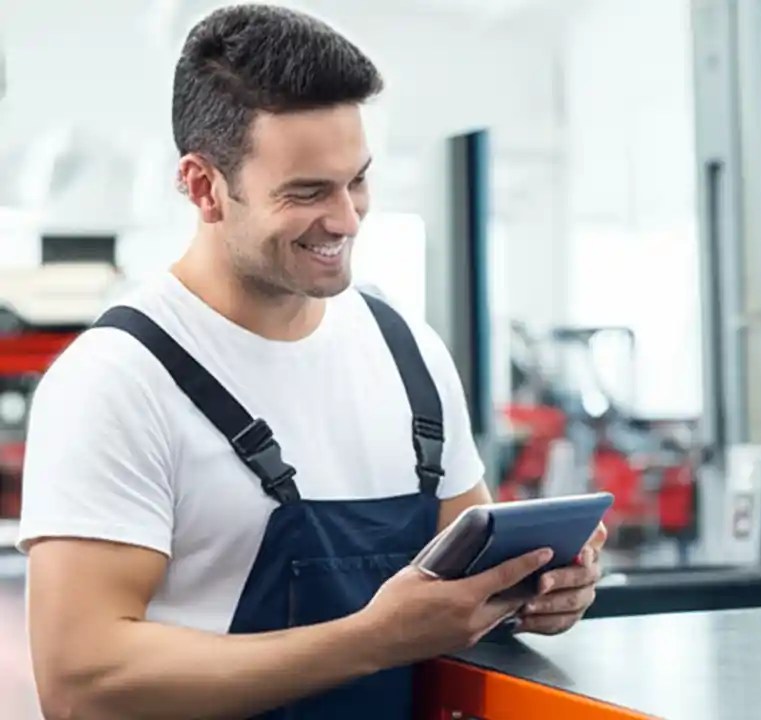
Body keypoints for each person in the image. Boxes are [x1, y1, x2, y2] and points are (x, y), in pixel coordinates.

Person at [17, 5, 605, 719]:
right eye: (306, 193)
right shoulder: (117, 381)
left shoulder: (405, 350)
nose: (348, 219)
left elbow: (466, 590)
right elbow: (82, 685)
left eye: (356, 180)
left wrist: (537, 593)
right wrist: (371, 640)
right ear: (203, 187)